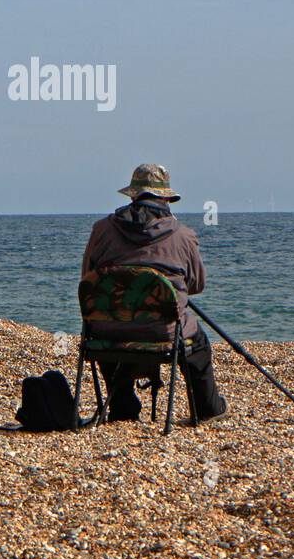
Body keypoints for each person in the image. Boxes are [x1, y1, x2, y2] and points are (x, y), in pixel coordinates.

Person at [81, 164, 227, 423]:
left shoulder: (101, 230)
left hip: (104, 333)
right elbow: (196, 285)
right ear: (165, 199)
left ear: (133, 196)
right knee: (197, 341)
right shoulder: (183, 235)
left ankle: (123, 405)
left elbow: (88, 279)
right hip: (163, 331)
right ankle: (207, 409)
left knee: (114, 316)